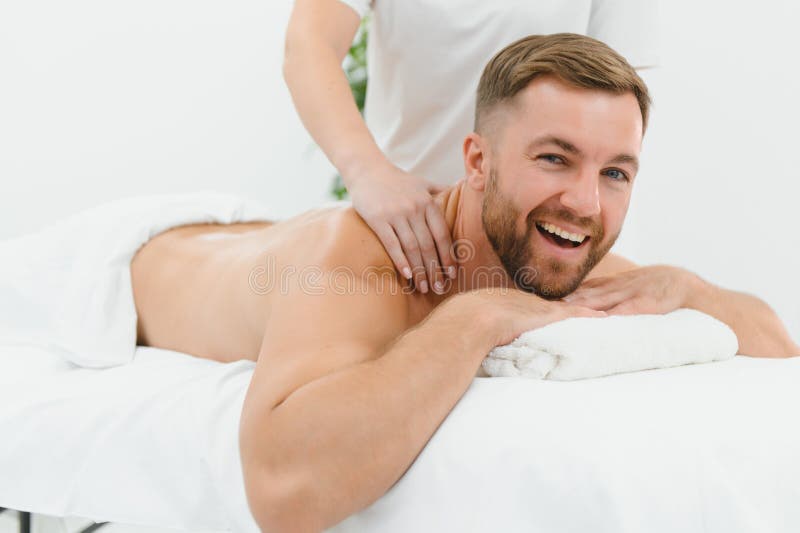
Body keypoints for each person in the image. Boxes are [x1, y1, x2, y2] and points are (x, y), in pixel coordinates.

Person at [131, 34, 797, 532]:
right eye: (554, 158)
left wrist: (687, 287)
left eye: (616, 172)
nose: (587, 203)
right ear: (477, 161)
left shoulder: (557, 252)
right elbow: (281, 489)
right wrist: (474, 318)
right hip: (143, 258)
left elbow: (775, 342)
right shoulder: (357, 262)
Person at [283, 0, 659, 295]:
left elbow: (618, 100)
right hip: (415, 239)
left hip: (555, 246)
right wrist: (367, 172)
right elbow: (310, 44)